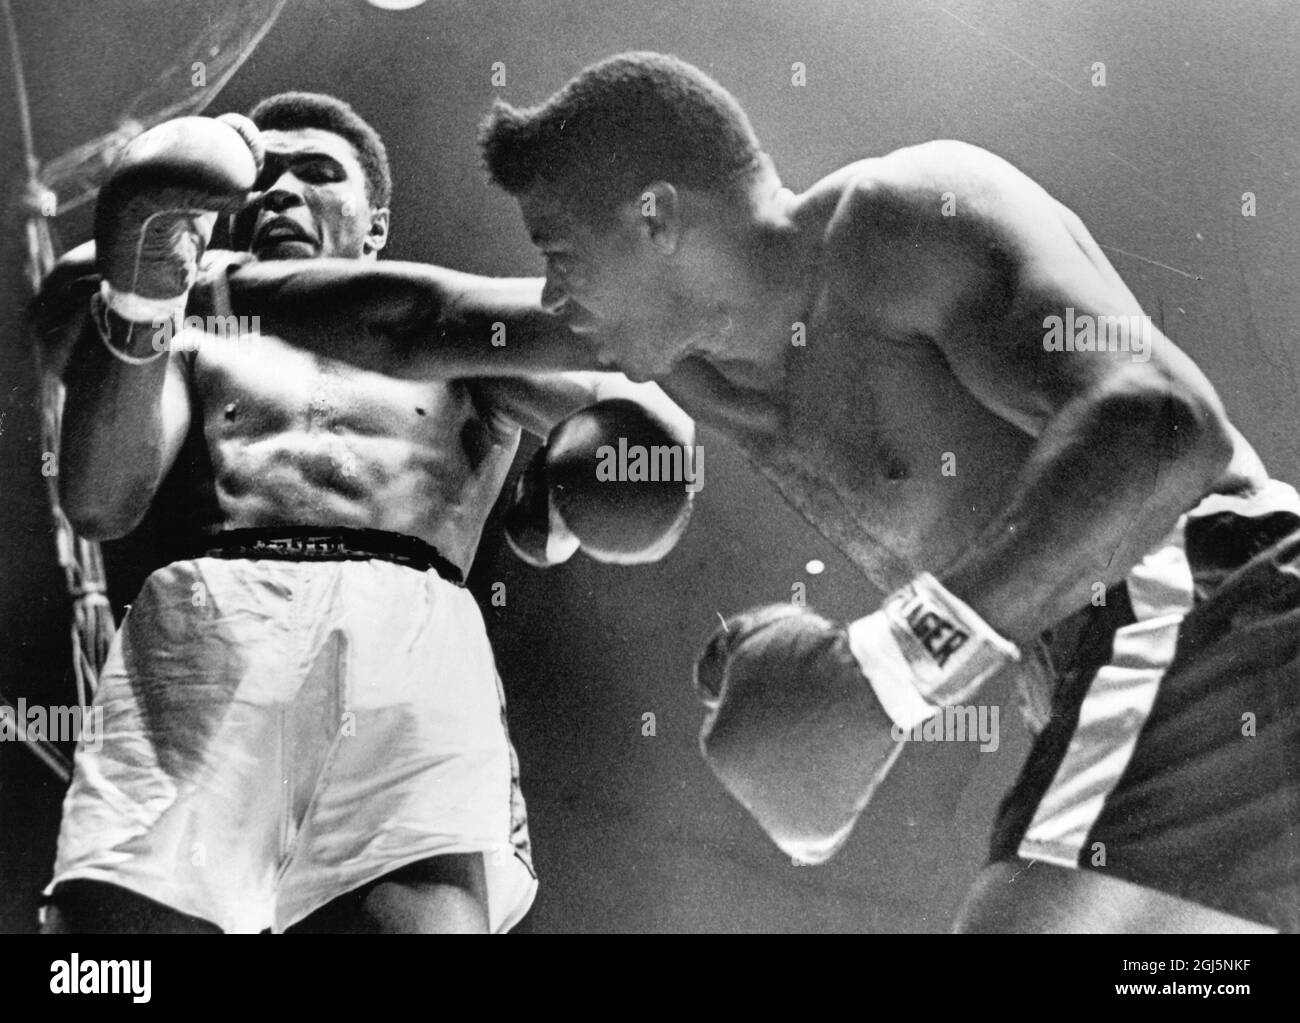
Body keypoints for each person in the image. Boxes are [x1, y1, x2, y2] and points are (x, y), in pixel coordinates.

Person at [232, 52, 1296, 932]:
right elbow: (420, 325)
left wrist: (884, 665)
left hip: (1211, 602)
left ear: (655, 219)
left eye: (562, 254)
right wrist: (187, 288)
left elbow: (1162, 427)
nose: (553, 293)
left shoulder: (901, 223)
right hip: (1164, 692)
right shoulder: (686, 352)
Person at [32, 90, 692, 934]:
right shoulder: (192, 334)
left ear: (374, 224)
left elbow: (639, 407)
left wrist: (568, 494)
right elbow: (99, 499)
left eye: (315, 173)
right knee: (109, 958)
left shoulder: (459, 339)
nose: (277, 192)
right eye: (262, 176)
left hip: (404, 637)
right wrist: (143, 297)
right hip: (207, 625)